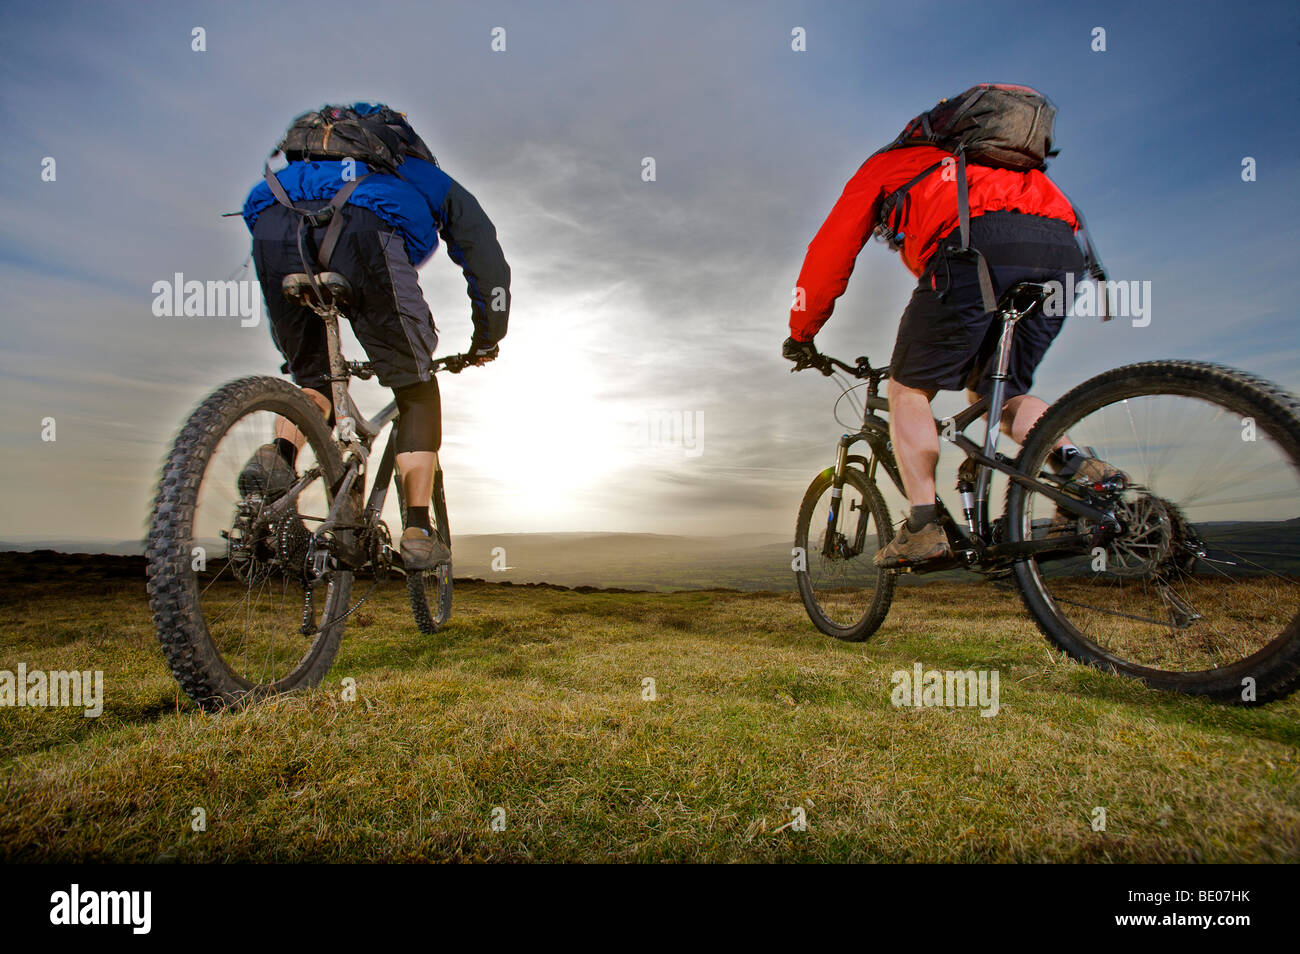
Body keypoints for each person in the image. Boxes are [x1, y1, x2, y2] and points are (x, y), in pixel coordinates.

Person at [784, 89, 1119, 568]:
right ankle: (1078, 468)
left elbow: (830, 252)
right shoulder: (1007, 169)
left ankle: (923, 526)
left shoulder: (892, 164)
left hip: (975, 249)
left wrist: (802, 332)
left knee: (908, 389)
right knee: (999, 394)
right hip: (1064, 258)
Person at [237, 103, 510, 571]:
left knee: (314, 377)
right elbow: (481, 247)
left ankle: (276, 457)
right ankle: (419, 529)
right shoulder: (413, 170)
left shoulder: (301, 163)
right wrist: (488, 335)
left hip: (273, 227)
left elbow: (262, 222)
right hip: (365, 231)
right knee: (415, 386)